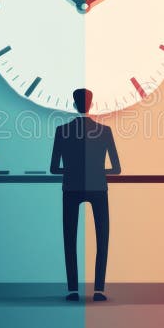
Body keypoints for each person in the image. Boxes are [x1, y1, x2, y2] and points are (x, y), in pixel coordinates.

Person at [50, 88, 120, 302]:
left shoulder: (62, 131)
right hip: (98, 187)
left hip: (71, 187)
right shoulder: (105, 131)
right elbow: (116, 169)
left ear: (73, 105)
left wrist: (72, 170)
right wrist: (98, 171)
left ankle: (72, 290)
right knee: (102, 237)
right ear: (91, 104)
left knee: (69, 238)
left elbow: (54, 168)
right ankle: (99, 290)